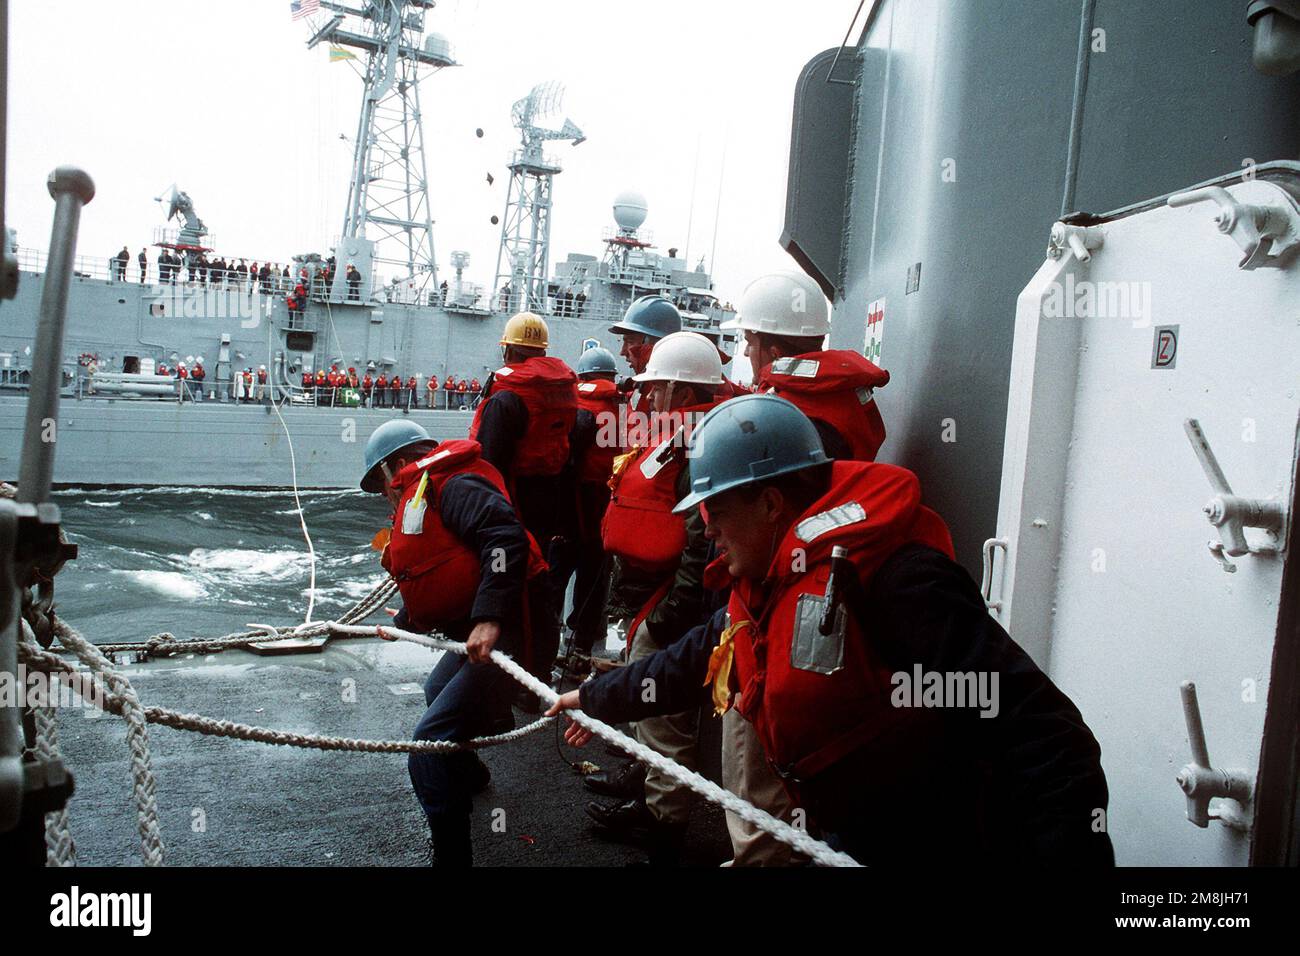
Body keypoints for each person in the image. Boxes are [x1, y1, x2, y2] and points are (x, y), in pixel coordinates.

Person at [549, 394, 1115, 867]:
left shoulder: (898, 583)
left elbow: (1048, 737)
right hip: (850, 837)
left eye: (716, 510)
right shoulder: (768, 584)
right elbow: (699, 655)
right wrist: (594, 696)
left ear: (771, 504)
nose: (707, 529)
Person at [360, 420, 549, 866]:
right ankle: (470, 773)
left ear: (400, 465)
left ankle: (452, 856)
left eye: (382, 481)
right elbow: (448, 564)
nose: (386, 493)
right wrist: (408, 618)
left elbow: (504, 540)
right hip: (488, 629)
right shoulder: (430, 490)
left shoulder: (456, 485)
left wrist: (488, 620)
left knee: (427, 746)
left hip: (511, 632)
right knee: (435, 693)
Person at [581, 331, 725, 860]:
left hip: (665, 603)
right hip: (648, 596)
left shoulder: (694, 444)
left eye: (658, 388)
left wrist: (668, 615)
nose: (649, 397)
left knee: (663, 719)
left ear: (683, 395)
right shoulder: (680, 435)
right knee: (649, 711)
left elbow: (699, 541)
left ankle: (664, 824)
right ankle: (650, 799)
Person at [467, 312, 578, 702]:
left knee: (509, 590)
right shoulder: (559, 390)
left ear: (509, 349)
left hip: (510, 504)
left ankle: (515, 682)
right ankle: (538, 675)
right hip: (547, 501)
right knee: (540, 587)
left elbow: (489, 461)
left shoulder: (507, 398)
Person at [726, 271, 889, 462]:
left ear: (775, 353)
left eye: (750, 342)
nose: (746, 352)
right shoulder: (843, 395)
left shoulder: (777, 421)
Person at [551, 346, 622, 672]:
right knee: (594, 580)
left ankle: (546, 645)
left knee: (554, 576)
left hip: (573, 505)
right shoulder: (623, 408)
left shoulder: (581, 409)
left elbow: (565, 461)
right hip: (608, 505)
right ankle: (579, 650)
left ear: (584, 377)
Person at [608, 294, 681, 413]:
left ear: (651, 344)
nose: (623, 352)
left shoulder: (666, 395)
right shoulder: (643, 387)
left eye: (630, 342)